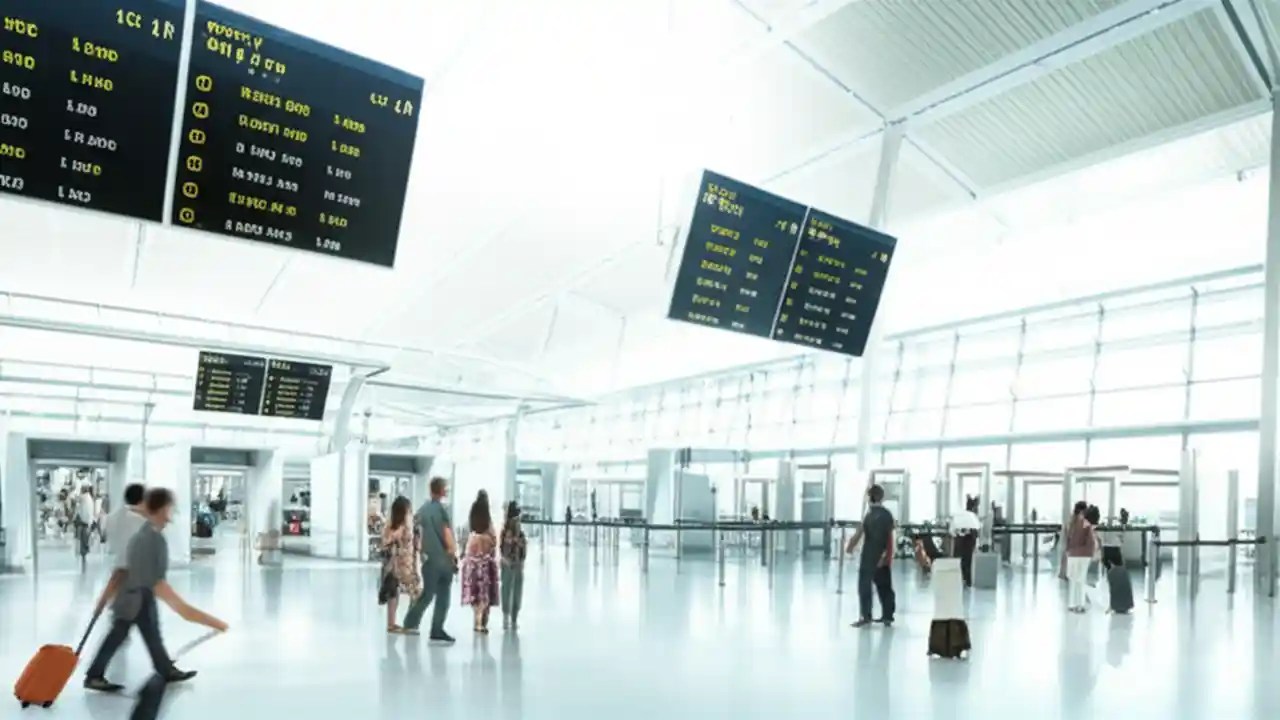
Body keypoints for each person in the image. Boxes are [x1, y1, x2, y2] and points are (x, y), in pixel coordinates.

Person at [84, 488, 228, 693]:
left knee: (151, 635)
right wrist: (199, 616)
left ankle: (165, 669)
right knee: (118, 635)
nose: (172, 514)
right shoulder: (147, 538)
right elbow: (141, 575)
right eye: (170, 507)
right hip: (133, 596)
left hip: (139, 595)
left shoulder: (148, 533)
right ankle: (94, 675)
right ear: (161, 509)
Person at [402, 477, 458, 642]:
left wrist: (419, 551)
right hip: (443, 560)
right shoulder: (441, 510)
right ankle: (436, 629)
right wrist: (453, 554)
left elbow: (414, 530)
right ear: (440, 490)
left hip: (428, 559)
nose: (446, 490)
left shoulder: (423, 510)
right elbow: (447, 533)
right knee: (443, 597)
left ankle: (410, 622)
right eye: (445, 488)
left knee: (427, 594)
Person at [92, 483, 148, 616]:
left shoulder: (113, 518)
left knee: (125, 623)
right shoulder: (141, 521)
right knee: (127, 622)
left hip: (119, 571)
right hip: (135, 576)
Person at [845, 484, 896, 628]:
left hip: (868, 557)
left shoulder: (869, 516)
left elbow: (859, 533)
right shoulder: (887, 515)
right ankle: (887, 616)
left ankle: (866, 616)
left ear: (869, 498)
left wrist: (850, 547)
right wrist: (886, 556)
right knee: (885, 587)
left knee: (864, 587)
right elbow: (891, 538)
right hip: (882, 558)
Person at [381, 496, 423, 633]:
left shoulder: (407, 525)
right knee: (414, 592)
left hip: (405, 564)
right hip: (399, 565)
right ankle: (409, 623)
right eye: (408, 510)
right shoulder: (396, 527)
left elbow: (416, 545)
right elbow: (387, 541)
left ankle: (393, 623)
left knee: (395, 593)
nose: (410, 513)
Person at [461, 491, 500, 634]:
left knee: (475, 592)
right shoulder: (488, 523)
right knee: (485, 593)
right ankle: (482, 622)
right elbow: (494, 541)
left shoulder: (472, 521)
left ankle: (476, 619)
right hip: (485, 562)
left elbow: (464, 538)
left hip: (471, 561)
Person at [500, 501, 527, 631]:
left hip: (509, 563)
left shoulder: (505, 528)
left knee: (507, 589)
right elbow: (519, 546)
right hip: (514, 564)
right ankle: (512, 618)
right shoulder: (513, 528)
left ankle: (508, 617)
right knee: (514, 590)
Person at [1065, 501, 1095, 613]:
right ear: (1084, 510)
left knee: (1073, 580)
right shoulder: (1085, 523)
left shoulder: (1070, 523)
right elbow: (1091, 541)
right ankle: (1080, 605)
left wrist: (1068, 551)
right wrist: (1092, 553)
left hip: (1072, 555)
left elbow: (1066, 539)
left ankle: (1072, 604)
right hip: (1083, 555)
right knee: (1081, 580)